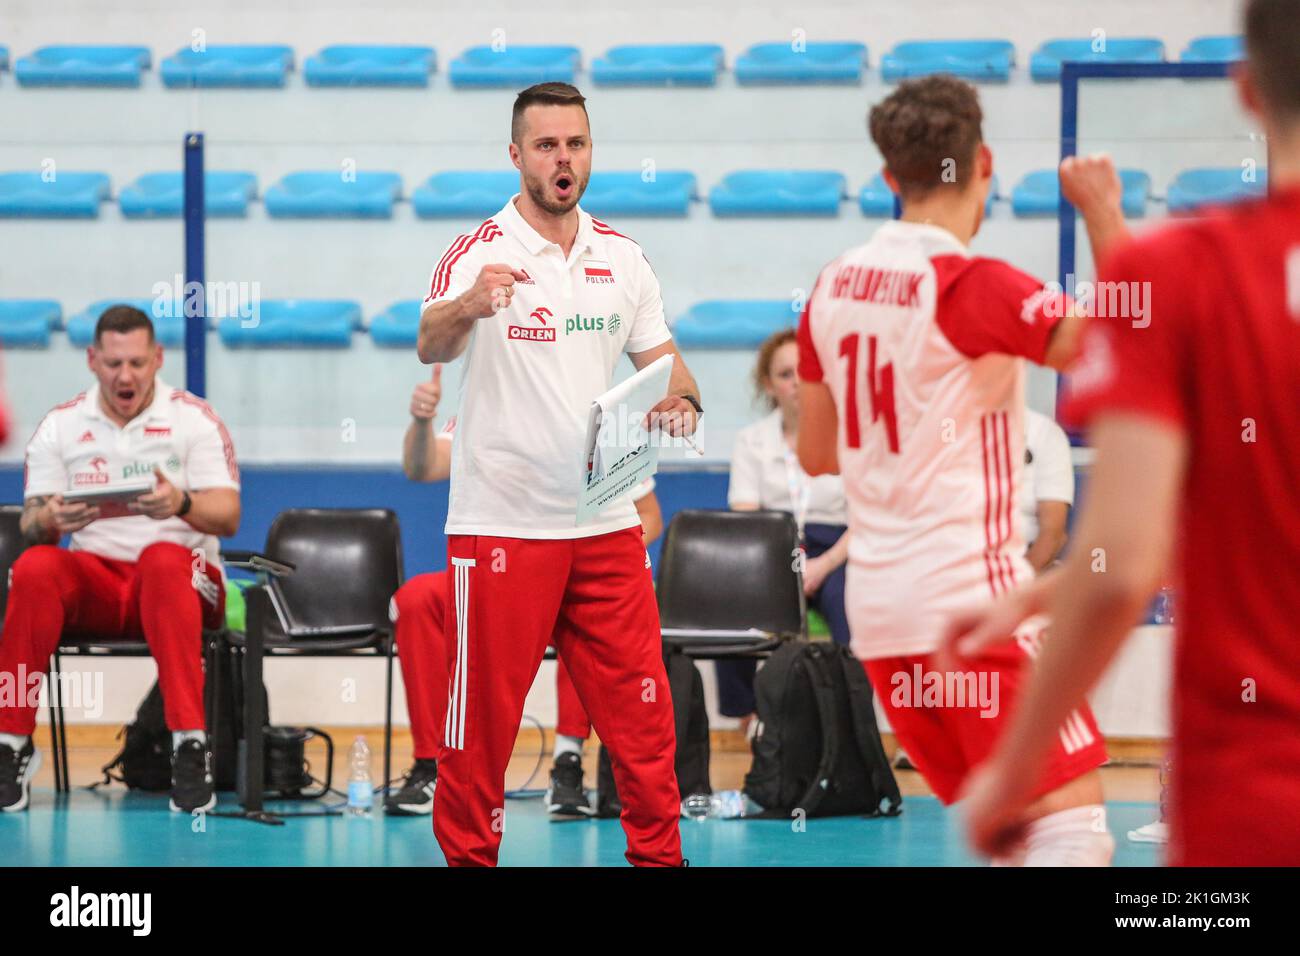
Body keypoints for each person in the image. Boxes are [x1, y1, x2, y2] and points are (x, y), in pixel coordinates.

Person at [954, 0, 1300, 867]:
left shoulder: (1186, 274)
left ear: (1247, 89)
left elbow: (1125, 568)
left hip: (1255, 799)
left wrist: (1013, 769)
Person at [796, 74, 1121, 865]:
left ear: (886, 177)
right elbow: (1115, 332)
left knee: (1008, 830)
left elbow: (815, 455)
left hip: (878, 612)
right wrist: (1103, 213)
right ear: (984, 164)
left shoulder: (831, 286)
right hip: (969, 604)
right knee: (1072, 826)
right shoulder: (970, 284)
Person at [416, 82, 700, 866]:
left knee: (645, 724)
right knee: (480, 732)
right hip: (503, 528)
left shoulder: (623, 257)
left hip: (606, 526)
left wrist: (681, 402)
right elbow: (429, 342)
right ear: (517, 156)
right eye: (546, 145)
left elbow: (671, 369)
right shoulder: (478, 251)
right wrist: (469, 305)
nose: (562, 158)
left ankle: (660, 860)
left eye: (574, 143)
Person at [384, 367, 664, 819]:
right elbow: (421, 467)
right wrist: (421, 422)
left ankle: (567, 762)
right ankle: (430, 763)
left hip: (577, 571)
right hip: (501, 576)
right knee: (418, 598)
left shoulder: (600, 417)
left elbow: (649, 516)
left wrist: (593, 561)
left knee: (580, 606)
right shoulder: (485, 405)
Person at [0, 305, 240, 814]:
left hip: (188, 580)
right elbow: (29, 522)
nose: (124, 375)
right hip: (102, 582)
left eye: (135, 362)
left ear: (157, 358)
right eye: (113, 364)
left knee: (161, 558)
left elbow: (229, 514)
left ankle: (190, 746)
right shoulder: (61, 425)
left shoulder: (193, 418)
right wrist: (52, 519)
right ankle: (11, 743)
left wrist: (182, 503)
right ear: (92, 360)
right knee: (36, 567)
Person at [721, 328, 851, 734]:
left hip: (837, 548)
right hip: (770, 547)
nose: (797, 382)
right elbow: (746, 515)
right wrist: (787, 567)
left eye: (806, 371)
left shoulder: (849, 437)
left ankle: (845, 718)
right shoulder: (751, 441)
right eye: (785, 374)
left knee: (851, 600)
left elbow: (869, 517)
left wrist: (821, 566)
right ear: (768, 385)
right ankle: (750, 718)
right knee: (731, 600)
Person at [1020, 407, 1074, 573]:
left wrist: (1013, 586)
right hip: (953, 565)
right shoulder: (947, 429)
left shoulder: (1043, 431)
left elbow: (1053, 535)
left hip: (1023, 564)